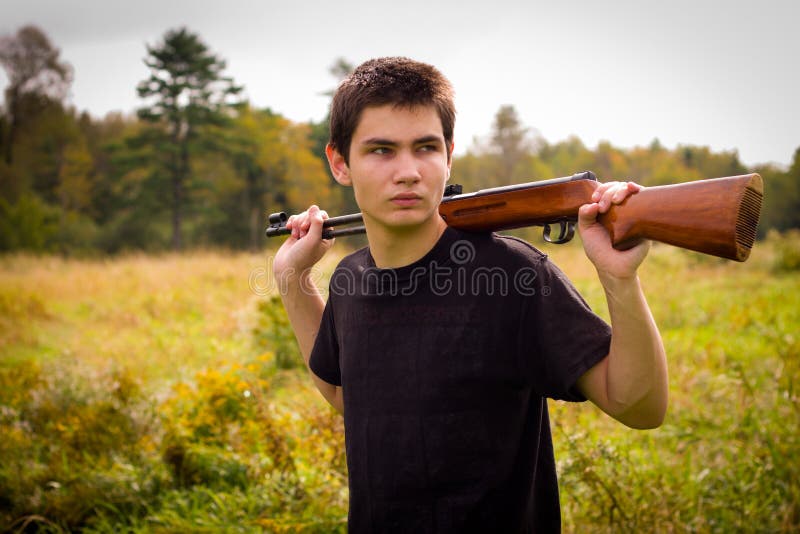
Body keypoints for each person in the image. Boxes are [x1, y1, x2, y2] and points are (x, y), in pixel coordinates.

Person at [272, 57, 668, 533]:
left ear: (449, 154)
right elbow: (351, 398)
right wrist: (293, 282)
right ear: (340, 162)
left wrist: (620, 279)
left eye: (425, 148)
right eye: (381, 150)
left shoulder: (516, 274)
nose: (408, 171)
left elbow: (640, 406)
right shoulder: (350, 278)